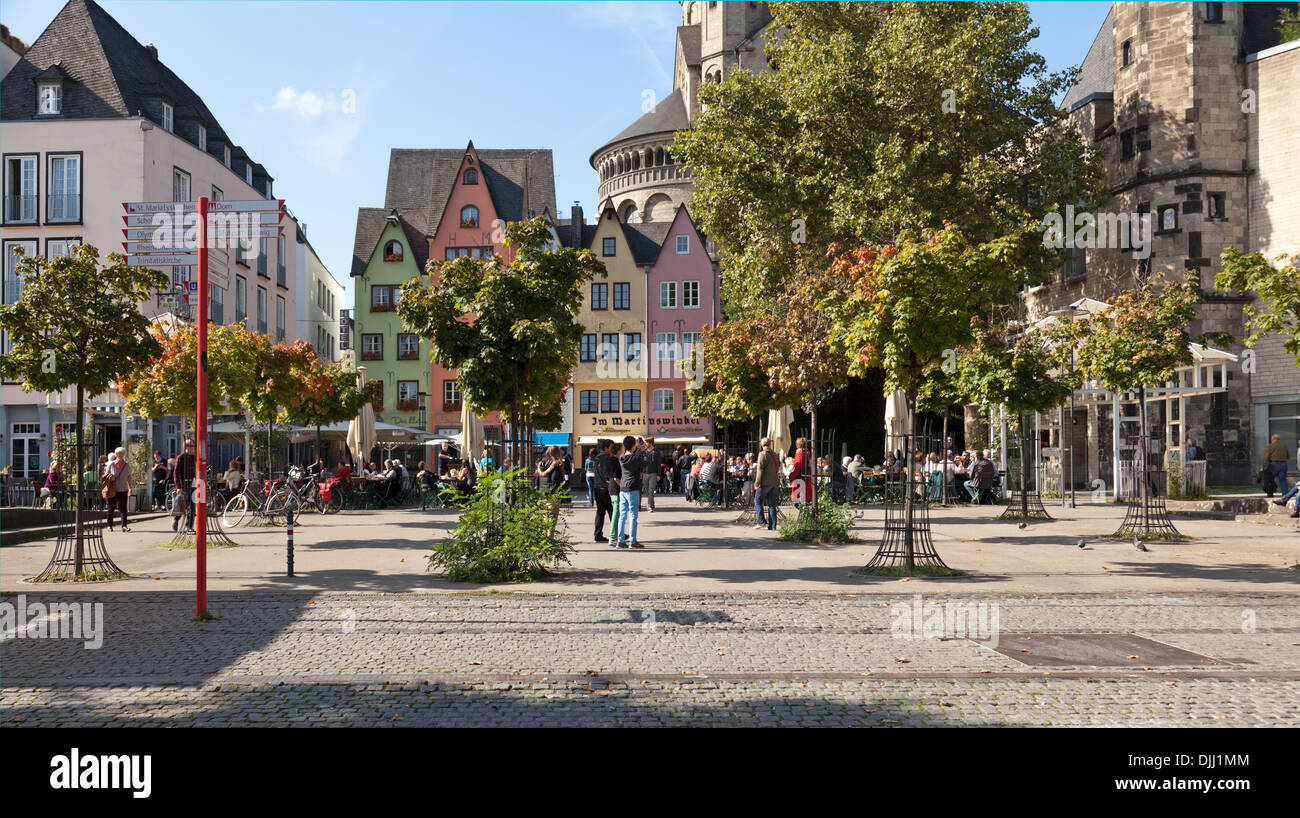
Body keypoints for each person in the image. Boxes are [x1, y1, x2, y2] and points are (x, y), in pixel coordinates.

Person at [616, 435, 649, 548]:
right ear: (633, 445)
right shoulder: (635, 458)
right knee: (633, 516)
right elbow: (645, 462)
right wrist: (642, 449)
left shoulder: (621, 457)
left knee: (622, 515)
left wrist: (638, 449)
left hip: (623, 488)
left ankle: (620, 540)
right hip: (633, 488)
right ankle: (632, 541)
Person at [752, 438, 781, 530]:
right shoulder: (775, 454)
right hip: (774, 482)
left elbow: (760, 470)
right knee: (772, 504)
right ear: (769, 444)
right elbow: (778, 467)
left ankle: (761, 521)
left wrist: (757, 483)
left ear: (761, 445)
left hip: (765, 483)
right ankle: (772, 526)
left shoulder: (762, 454)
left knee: (757, 500)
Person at [592, 439, 617, 543]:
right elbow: (607, 473)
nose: (613, 449)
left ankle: (597, 535)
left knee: (600, 512)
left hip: (597, 488)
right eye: (611, 447)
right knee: (613, 511)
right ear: (606, 448)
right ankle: (616, 534)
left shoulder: (597, 457)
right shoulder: (607, 458)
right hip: (605, 488)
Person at [105, 447, 134, 532]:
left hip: (123, 489)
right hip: (113, 490)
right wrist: (111, 478)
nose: (120, 455)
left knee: (123, 509)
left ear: (124, 454)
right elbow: (106, 477)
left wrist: (130, 488)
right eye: (118, 453)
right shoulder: (111, 464)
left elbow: (129, 477)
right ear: (116, 454)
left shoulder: (126, 465)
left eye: (122, 453)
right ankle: (109, 525)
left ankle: (124, 525)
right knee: (111, 508)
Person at [173, 439, 197, 533]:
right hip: (184, 485)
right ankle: (176, 519)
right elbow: (176, 473)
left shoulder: (194, 458)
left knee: (192, 507)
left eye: (193, 446)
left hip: (193, 485)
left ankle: (189, 527)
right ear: (186, 447)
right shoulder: (181, 457)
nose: (193, 448)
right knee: (184, 506)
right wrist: (178, 486)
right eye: (191, 446)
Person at [640, 437, 662, 512]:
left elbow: (659, 464)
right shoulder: (644, 452)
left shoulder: (656, 452)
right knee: (647, 490)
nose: (645, 444)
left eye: (646, 442)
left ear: (650, 443)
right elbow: (641, 463)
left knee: (651, 490)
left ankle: (649, 506)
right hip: (645, 473)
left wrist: (659, 474)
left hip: (653, 473)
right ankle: (652, 502)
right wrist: (641, 472)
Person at [790, 438, 812, 505]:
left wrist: (791, 477)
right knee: (804, 498)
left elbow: (797, 465)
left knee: (795, 501)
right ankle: (804, 513)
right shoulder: (807, 453)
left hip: (799, 477)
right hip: (806, 477)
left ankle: (803, 514)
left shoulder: (800, 453)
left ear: (797, 445)